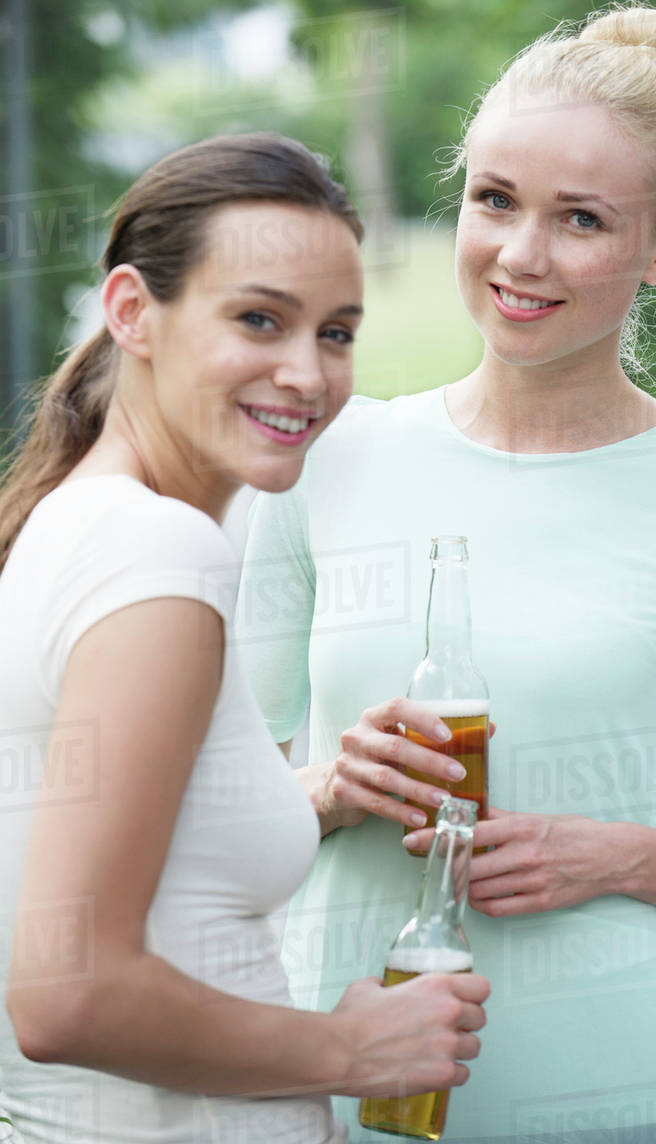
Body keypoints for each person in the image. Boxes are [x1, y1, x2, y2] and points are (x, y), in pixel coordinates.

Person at [235, 6, 656, 1144]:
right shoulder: (326, 462)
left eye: (582, 219)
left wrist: (628, 855)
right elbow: (207, 819)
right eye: (495, 200)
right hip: (344, 1107)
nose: (521, 255)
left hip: (645, 1112)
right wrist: (333, 791)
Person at [0, 133, 490, 1143]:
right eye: (259, 319)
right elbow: (64, 996)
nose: (306, 373)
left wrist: (318, 792)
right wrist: (357, 1049)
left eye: (338, 332)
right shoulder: (163, 555)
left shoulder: (80, 522)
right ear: (133, 312)